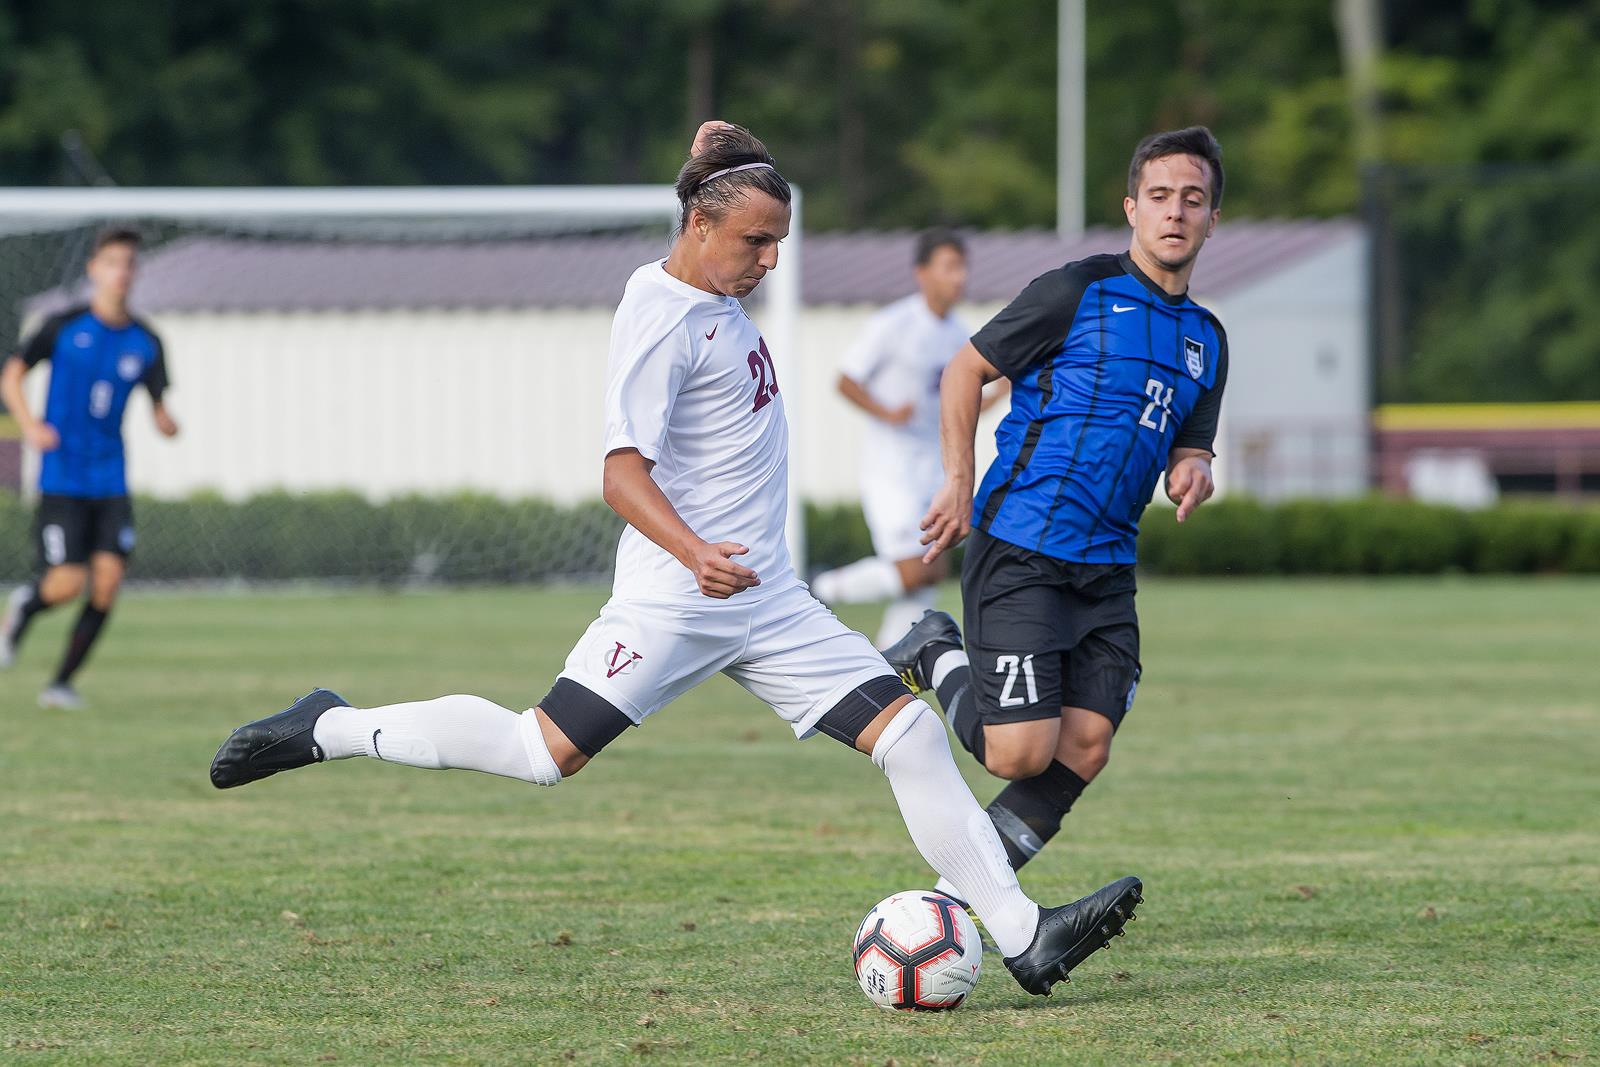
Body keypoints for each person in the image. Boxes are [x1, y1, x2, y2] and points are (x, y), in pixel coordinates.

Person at [209, 122, 1140, 997]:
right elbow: (621, 475)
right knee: (543, 751)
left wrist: (722, 143)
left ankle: (1022, 935)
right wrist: (694, 552)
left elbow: (719, 164)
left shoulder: (716, 288)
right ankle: (328, 725)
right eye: (756, 241)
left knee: (911, 735)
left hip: (767, 599)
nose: (770, 259)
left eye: (778, 239)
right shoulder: (658, 315)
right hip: (679, 596)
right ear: (699, 226)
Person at [887, 127, 1228, 897]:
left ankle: (966, 899)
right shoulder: (1078, 290)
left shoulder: (1208, 340)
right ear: (1132, 208)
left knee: (1088, 742)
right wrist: (956, 479)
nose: (1176, 213)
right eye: (1162, 197)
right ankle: (937, 648)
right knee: (1017, 754)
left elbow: (1191, 443)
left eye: (1194, 200)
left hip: (1108, 568)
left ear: (1213, 221)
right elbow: (965, 368)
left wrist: (1193, 469)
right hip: (1024, 545)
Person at [0, 228, 179, 708]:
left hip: (111, 479)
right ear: (94, 269)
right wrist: (30, 424)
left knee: (107, 582)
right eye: (113, 262)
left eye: (129, 263)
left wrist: (165, 421)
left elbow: (158, 403)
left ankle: (60, 684)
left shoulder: (146, 341)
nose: (121, 272)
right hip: (63, 476)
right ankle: (23, 607)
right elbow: (12, 373)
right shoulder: (62, 326)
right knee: (65, 583)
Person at [810, 230, 1006, 647]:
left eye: (963, 266)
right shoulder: (894, 324)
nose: (960, 277)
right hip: (892, 470)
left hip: (934, 470)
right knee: (918, 569)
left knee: (930, 572)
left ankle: (887, 665)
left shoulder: (958, 334)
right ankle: (820, 588)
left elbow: (962, 407)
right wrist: (886, 412)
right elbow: (845, 381)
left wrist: (1003, 387)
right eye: (949, 266)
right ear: (922, 273)